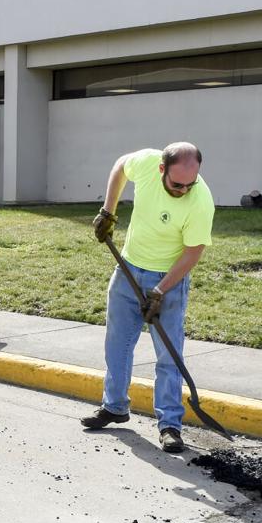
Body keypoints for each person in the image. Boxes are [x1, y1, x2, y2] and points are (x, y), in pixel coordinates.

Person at [81, 142, 215, 454]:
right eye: (176, 184)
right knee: (117, 343)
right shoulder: (146, 162)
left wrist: (160, 290)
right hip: (128, 268)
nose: (183, 190)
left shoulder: (200, 200)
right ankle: (114, 407)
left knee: (169, 356)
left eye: (189, 184)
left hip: (169, 278)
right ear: (161, 169)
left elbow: (193, 252)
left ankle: (170, 424)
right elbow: (119, 167)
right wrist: (108, 212)